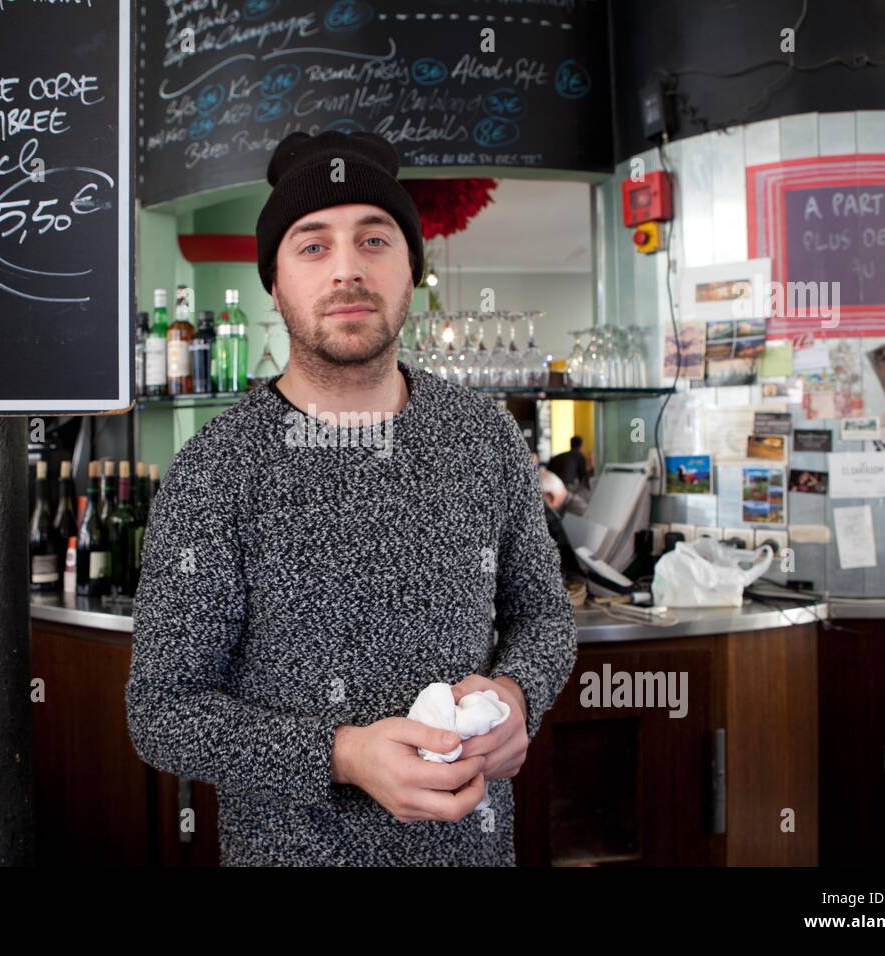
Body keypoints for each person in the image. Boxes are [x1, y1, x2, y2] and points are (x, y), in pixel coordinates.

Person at [126, 131, 578, 866]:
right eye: (312, 246)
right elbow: (162, 713)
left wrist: (518, 694)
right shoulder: (215, 469)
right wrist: (342, 755)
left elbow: (544, 615)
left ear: (411, 272)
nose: (346, 270)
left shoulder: (483, 436)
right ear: (274, 283)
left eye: (375, 240)